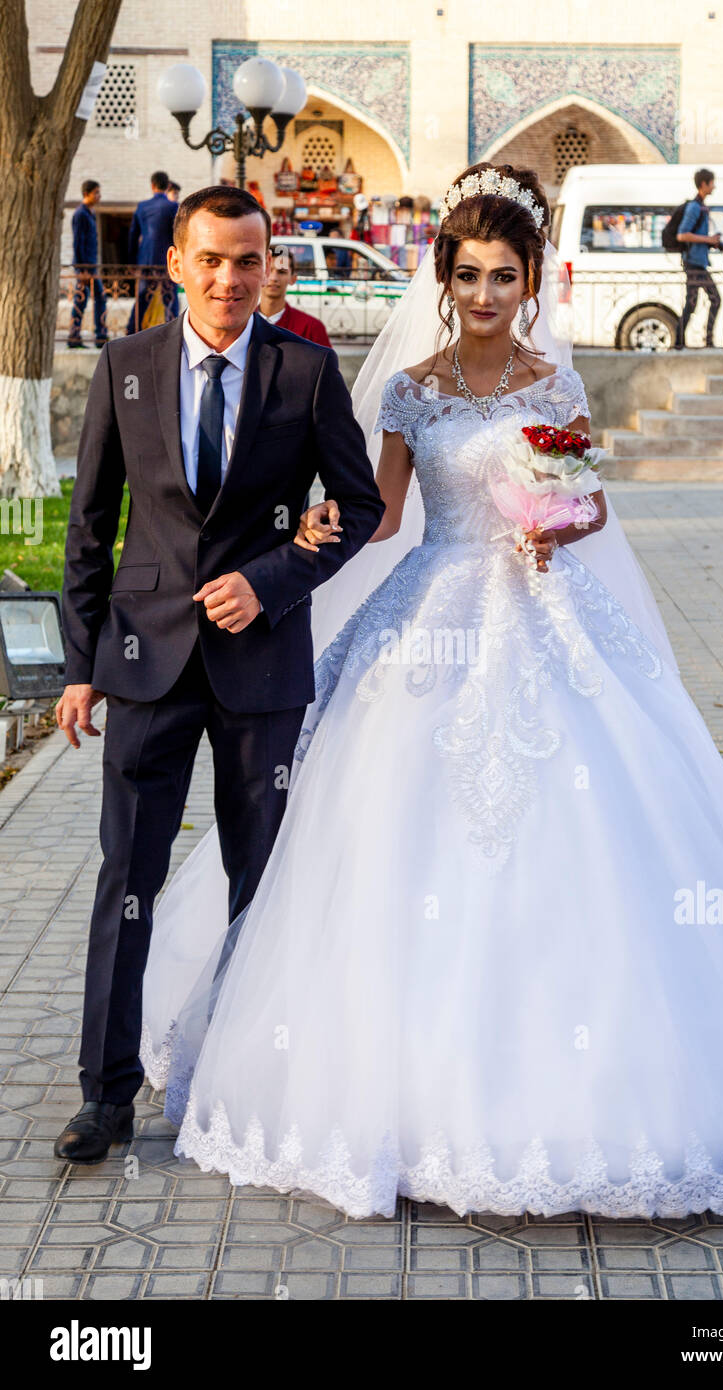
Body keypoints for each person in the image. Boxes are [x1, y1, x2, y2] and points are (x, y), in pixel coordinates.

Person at [136, 162, 723, 1221]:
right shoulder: (410, 390)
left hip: (540, 611)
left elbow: (589, 512)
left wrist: (550, 521)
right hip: (431, 612)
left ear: (530, 282)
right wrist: (294, 542)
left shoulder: (552, 385)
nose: (484, 295)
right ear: (443, 279)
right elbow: (380, 517)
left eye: (503, 277)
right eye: (468, 276)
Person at [52, 184, 384, 1165]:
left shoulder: (307, 373)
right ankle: (104, 1096)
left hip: (262, 671)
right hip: (144, 666)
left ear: (268, 262)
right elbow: (86, 529)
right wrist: (81, 667)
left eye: (248, 260)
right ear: (175, 265)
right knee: (129, 880)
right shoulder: (126, 366)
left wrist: (275, 578)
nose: (230, 279)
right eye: (210, 260)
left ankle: (259, 1081)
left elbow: (356, 507)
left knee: (263, 881)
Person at [126, 170, 180, 333]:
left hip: (146, 260)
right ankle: (175, 332)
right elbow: (178, 234)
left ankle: (131, 331)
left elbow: (133, 236)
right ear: (168, 185)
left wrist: (132, 261)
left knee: (142, 298)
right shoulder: (173, 207)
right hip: (166, 262)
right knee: (170, 298)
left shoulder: (142, 207)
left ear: (152, 186)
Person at [674, 169, 722, 350]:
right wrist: (708, 240)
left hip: (698, 261)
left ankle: (679, 342)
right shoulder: (694, 207)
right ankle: (706, 340)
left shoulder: (701, 206)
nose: (714, 187)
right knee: (715, 299)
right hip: (694, 263)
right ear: (704, 184)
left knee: (692, 303)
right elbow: (682, 235)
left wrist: (711, 242)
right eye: (712, 183)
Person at [258, 245, 331, 346]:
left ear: (293, 279)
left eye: (282, 272)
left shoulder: (311, 328)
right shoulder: (241, 324)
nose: (274, 278)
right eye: (269, 271)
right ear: (258, 275)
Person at [67, 180, 108, 349]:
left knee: (93, 299)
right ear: (86, 194)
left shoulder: (89, 213)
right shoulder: (80, 214)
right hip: (85, 269)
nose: (99, 196)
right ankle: (79, 336)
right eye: (96, 193)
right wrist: (81, 270)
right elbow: (78, 243)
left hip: (91, 267)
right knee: (83, 300)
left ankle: (97, 335)